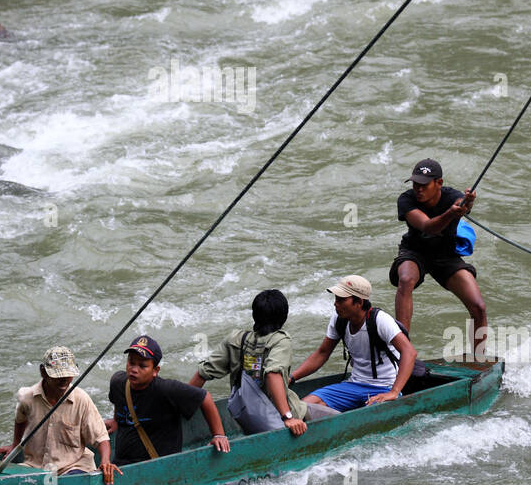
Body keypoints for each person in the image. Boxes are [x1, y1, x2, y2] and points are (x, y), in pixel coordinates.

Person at [188, 289, 338, 435]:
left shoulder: (236, 339)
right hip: (285, 415)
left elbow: (203, 373)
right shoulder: (280, 340)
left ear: (255, 315)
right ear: (283, 317)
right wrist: (288, 417)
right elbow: (273, 374)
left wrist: (181, 407)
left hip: (248, 417)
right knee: (339, 419)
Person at [388, 157, 488, 361]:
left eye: (424, 185)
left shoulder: (454, 197)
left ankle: (479, 361)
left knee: (478, 307)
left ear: (439, 183)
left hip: (446, 255)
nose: (419, 189)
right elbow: (427, 226)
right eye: (415, 184)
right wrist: (451, 214)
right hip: (415, 252)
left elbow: (465, 206)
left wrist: (468, 202)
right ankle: (402, 354)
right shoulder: (406, 200)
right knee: (406, 279)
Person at [0, 345, 121, 484]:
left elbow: (101, 438)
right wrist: (15, 444)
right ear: (43, 372)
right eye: (58, 375)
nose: (64, 379)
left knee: (70, 483)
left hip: (72, 467)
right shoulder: (26, 397)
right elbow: (20, 419)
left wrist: (105, 461)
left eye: (68, 374)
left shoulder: (81, 399)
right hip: (35, 466)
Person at [292, 274, 417, 410]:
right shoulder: (339, 318)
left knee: (370, 413)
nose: (335, 304)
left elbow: (409, 352)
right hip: (354, 385)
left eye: (341, 300)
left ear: (359, 302)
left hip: (384, 387)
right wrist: (292, 378)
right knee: (303, 407)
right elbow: (322, 353)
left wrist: (393, 392)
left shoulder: (381, 320)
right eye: (336, 299)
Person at [108, 335, 231, 464]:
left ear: (155, 371)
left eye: (142, 366)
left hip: (159, 465)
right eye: (131, 362)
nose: (134, 369)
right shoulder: (118, 382)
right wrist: (117, 420)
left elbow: (205, 397)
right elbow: (119, 400)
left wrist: (219, 435)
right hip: (121, 464)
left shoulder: (166, 389)